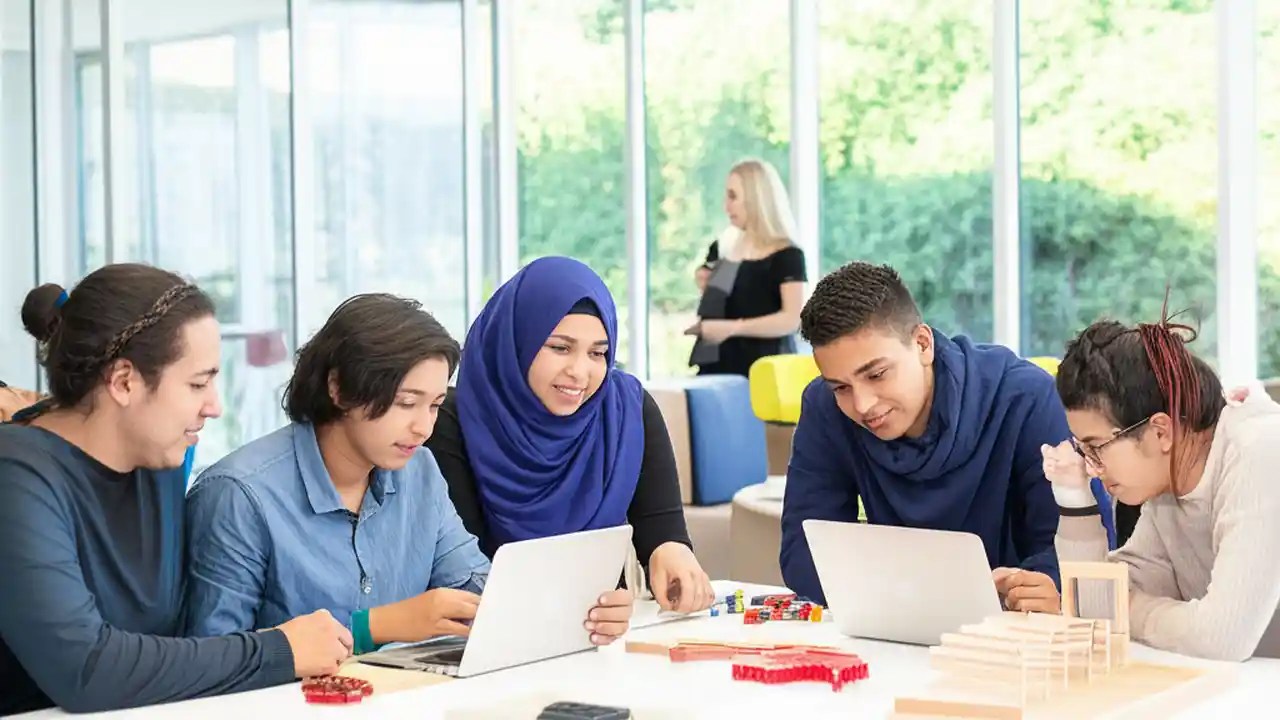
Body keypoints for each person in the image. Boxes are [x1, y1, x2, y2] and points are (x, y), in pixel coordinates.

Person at [0, 266, 351, 715]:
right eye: (197, 384)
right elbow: (85, 669)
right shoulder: (17, 474)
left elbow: (176, 646)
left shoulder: (158, 460)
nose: (214, 406)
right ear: (124, 382)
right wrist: (278, 650)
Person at [779, 261, 1114, 611]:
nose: (862, 405)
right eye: (841, 387)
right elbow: (804, 553)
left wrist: (1039, 587)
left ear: (923, 344)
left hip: (1015, 626)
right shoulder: (824, 407)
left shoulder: (1028, 397)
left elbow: (1087, 554)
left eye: (877, 374)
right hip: (891, 626)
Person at [185, 294, 499, 652]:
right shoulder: (238, 494)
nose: (423, 428)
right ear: (338, 388)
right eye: (407, 403)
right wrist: (371, 627)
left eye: (435, 406)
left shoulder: (420, 471)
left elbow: (473, 583)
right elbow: (214, 656)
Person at [427, 256, 715, 616]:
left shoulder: (625, 410)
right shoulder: (448, 420)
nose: (580, 371)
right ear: (514, 343)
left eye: (598, 353)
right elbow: (461, 571)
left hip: (601, 631)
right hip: (486, 633)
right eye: (560, 348)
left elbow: (662, 530)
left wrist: (672, 555)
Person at [1045, 314, 1280, 661]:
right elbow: (1095, 605)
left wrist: (1126, 607)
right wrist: (1074, 500)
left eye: (1096, 447)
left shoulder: (1262, 450)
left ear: (1160, 432)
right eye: (1083, 450)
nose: (1091, 468)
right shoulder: (1166, 486)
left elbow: (1222, 638)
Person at [688, 158, 807, 377]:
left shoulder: (787, 256)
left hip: (766, 373)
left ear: (756, 198)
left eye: (733, 196)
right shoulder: (721, 248)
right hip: (716, 370)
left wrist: (732, 328)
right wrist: (704, 282)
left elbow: (791, 319)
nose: (726, 206)